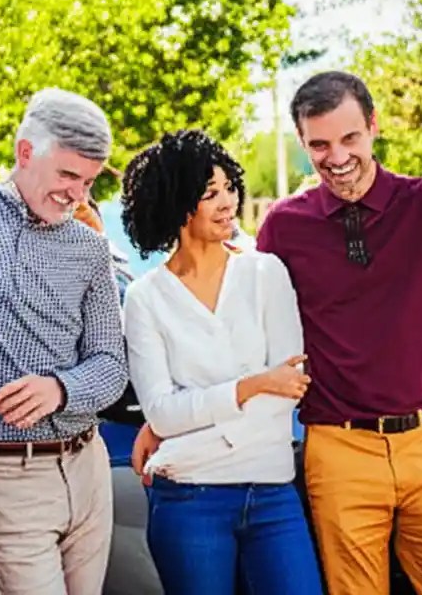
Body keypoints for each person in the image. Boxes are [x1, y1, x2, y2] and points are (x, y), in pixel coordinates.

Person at [134, 71, 422, 595]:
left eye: (350, 138)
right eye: (319, 144)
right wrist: (164, 423)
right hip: (339, 449)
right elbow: (235, 318)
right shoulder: (285, 225)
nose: (337, 156)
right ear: (302, 145)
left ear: (373, 127)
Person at [0, 88, 128, 595]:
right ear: (25, 152)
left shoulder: (89, 247)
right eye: (67, 175)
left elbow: (111, 363)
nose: (77, 195)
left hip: (89, 467)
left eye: (87, 182)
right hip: (1, 471)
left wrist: (60, 389)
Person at [119, 129, 322, 595]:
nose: (227, 202)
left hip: (271, 493)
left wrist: (183, 448)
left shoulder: (266, 273)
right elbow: (162, 413)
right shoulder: (145, 298)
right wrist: (252, 385)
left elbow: (290, 385)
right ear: (175, 202)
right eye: (210, 193)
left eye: (229, 187)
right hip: (189, 505)